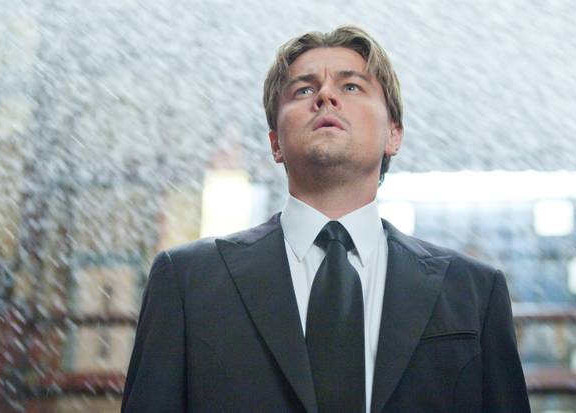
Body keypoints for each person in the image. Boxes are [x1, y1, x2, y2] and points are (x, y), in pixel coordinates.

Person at [121, 25, 530, 413]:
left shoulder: (473, 291)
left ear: (394, 134)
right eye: (303, 89)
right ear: (275, 143)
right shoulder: (187, 282)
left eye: (351, 86)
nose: (326, 96)